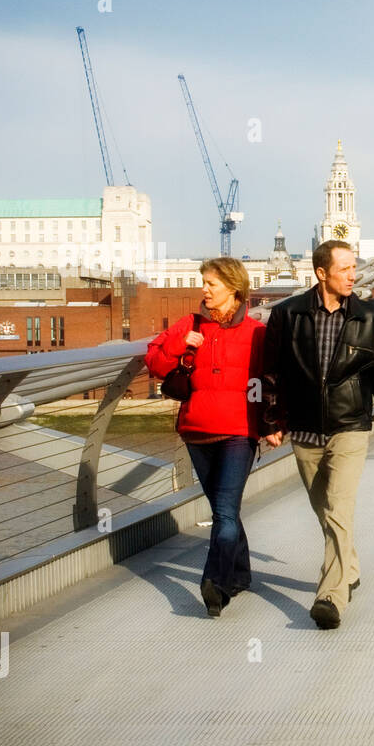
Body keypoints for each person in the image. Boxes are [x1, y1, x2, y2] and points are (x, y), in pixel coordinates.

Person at [261, 240, 374, 631]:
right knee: (323, 508)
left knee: (339, 507)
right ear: (321, 273)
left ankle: (331, 596)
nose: (353, 275)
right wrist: (273, 421)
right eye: (344, 268)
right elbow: (272, 374)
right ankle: (351, 567)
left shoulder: (370, 318)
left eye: (354, 267)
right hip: (304, 428)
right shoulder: (287, 315)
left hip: (350, 425)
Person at [144, 257, 266, 618]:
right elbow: (154, 361)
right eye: (204, 283)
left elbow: (271, 382)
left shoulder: (256, 333)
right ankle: (241, 574)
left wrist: (272, 424)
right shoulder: (190, 324)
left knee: (225, 512)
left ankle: (215, 583)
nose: (204, 290)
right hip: (196, 431)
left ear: (233, 287)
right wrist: (181, 344)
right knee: (223, 511)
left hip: (238, 433)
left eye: (211, 283)